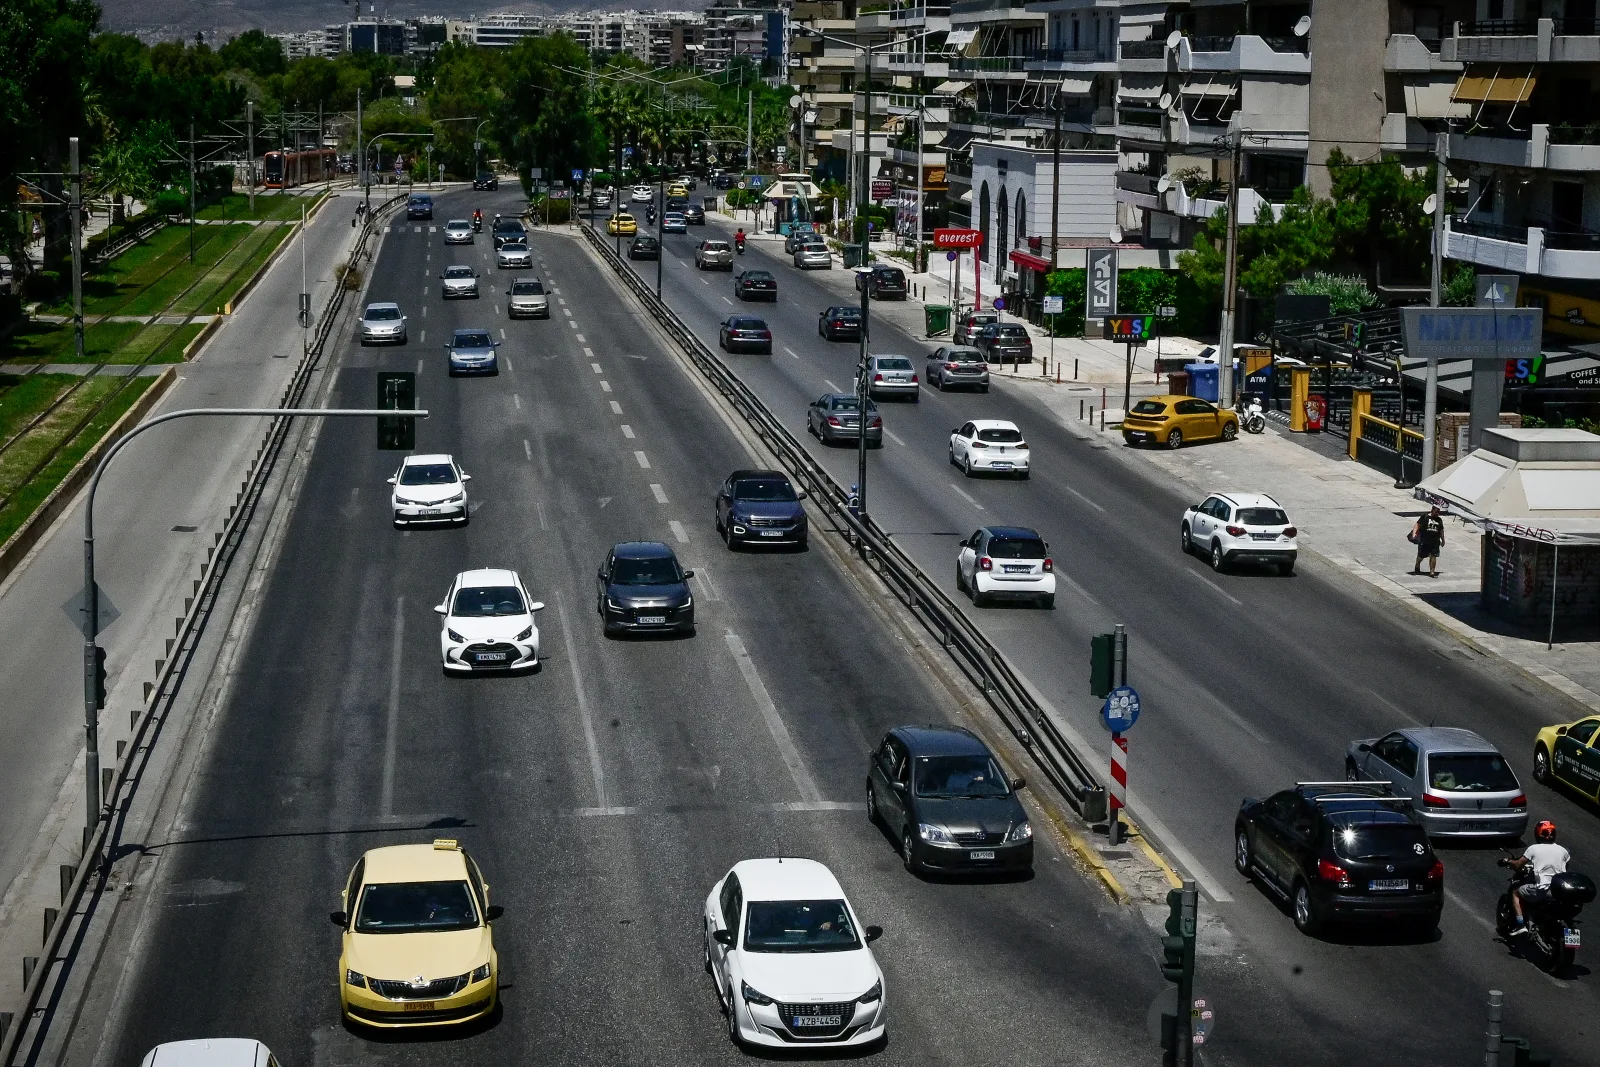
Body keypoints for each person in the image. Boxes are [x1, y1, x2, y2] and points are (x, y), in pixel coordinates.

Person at [1508, 820, 1570, 934]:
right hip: (1559, 891)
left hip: (1543, 889)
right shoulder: (1563, 851)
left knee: (1515, 892)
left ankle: (1521, 924)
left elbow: (1519, 864)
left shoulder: (1533, 849)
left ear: (1538, 834)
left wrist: (1510, 862)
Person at [1411, 505, 1445, 577]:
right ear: (1432, 510)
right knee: (1421, 555)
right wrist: (1414, 533)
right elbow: (1417, 525)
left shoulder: (1439, 520)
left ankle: (1432, 571)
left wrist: (1443, 540)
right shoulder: (1425, 517)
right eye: (1436, 512)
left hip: (1435, 541)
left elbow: (1441, 530)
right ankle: (1417, 564)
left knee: (1433, 556)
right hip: (1424, 540)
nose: (1437, 513)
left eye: (1438, 512)